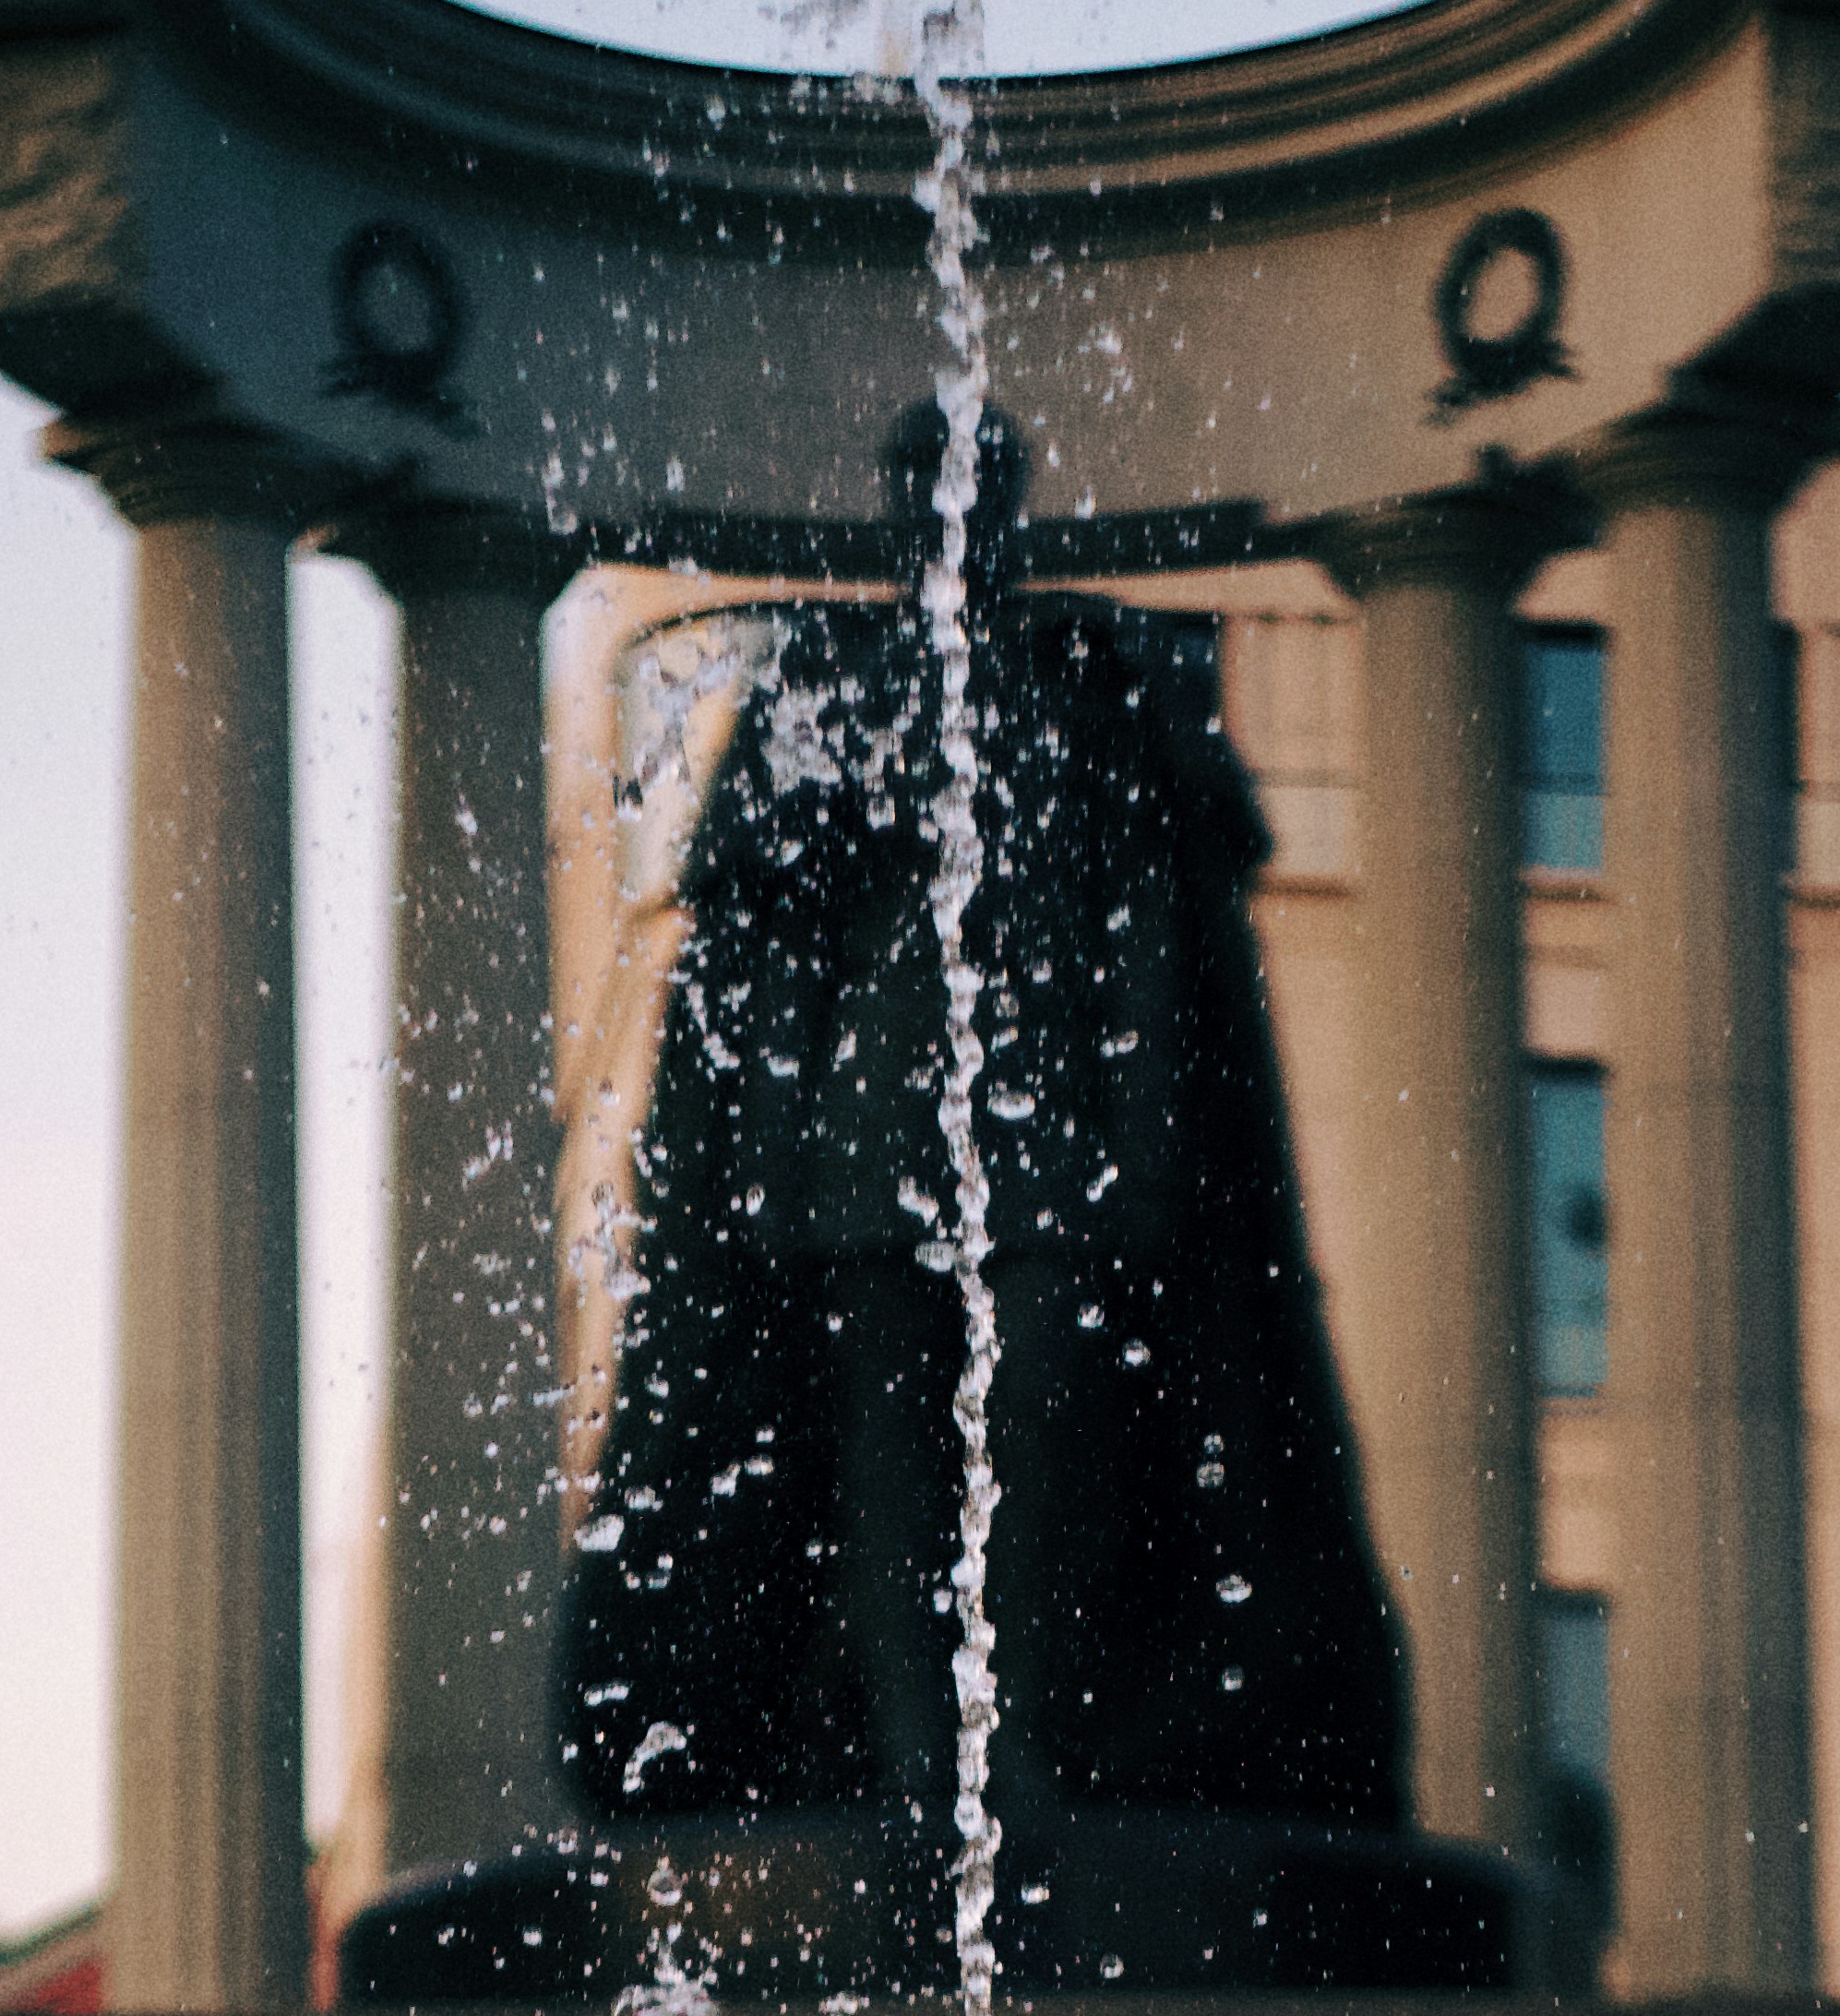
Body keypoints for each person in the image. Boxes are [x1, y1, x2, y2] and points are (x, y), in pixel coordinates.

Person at [559, 407, 1406, 1841]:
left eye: (978, 490)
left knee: (1047, 1442)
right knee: (891, 1461)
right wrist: (760, 1167)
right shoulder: (827, 677)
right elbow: (767, 958)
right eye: (926, 491)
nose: (953, 516)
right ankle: (915, 1770)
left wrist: (1145, 1145)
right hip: (867, 1131)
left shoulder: (1099, 675)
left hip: (1057, 1127)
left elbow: (1155, 927)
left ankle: (1024, 1754)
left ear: (1015, 504)